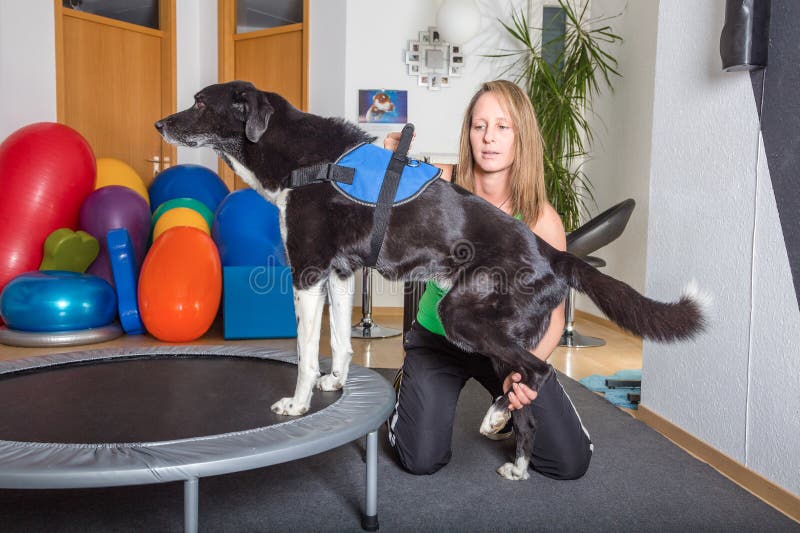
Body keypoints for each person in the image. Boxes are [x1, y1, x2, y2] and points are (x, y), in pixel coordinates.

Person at [384, 80, 593, 480]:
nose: (489, 138)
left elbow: (555, 314)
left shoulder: (542, 221)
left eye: (502, 126)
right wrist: (392, 155)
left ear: (522, 136)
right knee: (420, 459)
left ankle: (514, 412)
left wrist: (528, 371)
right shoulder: (441, 183)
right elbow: (389, 175)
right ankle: (406, 390)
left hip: (507, 347)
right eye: (479, 126)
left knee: (569, 463)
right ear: (468, 134)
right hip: (440, 338)